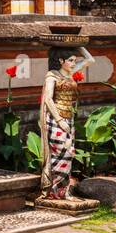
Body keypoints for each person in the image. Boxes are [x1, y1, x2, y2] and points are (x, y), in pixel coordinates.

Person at [39, 45, 95, 200]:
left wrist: (79, 45)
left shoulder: (69, 74)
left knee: (69, 154)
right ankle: (54, 191)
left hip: (69, 119)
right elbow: (48, 99)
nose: (73, 63)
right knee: (59, 154)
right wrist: (59, 120)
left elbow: (90, 60)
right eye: (70, 60)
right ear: (60, 60)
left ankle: (64, 191)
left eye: (74, 60)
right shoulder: (52, 76)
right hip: (56, 120)